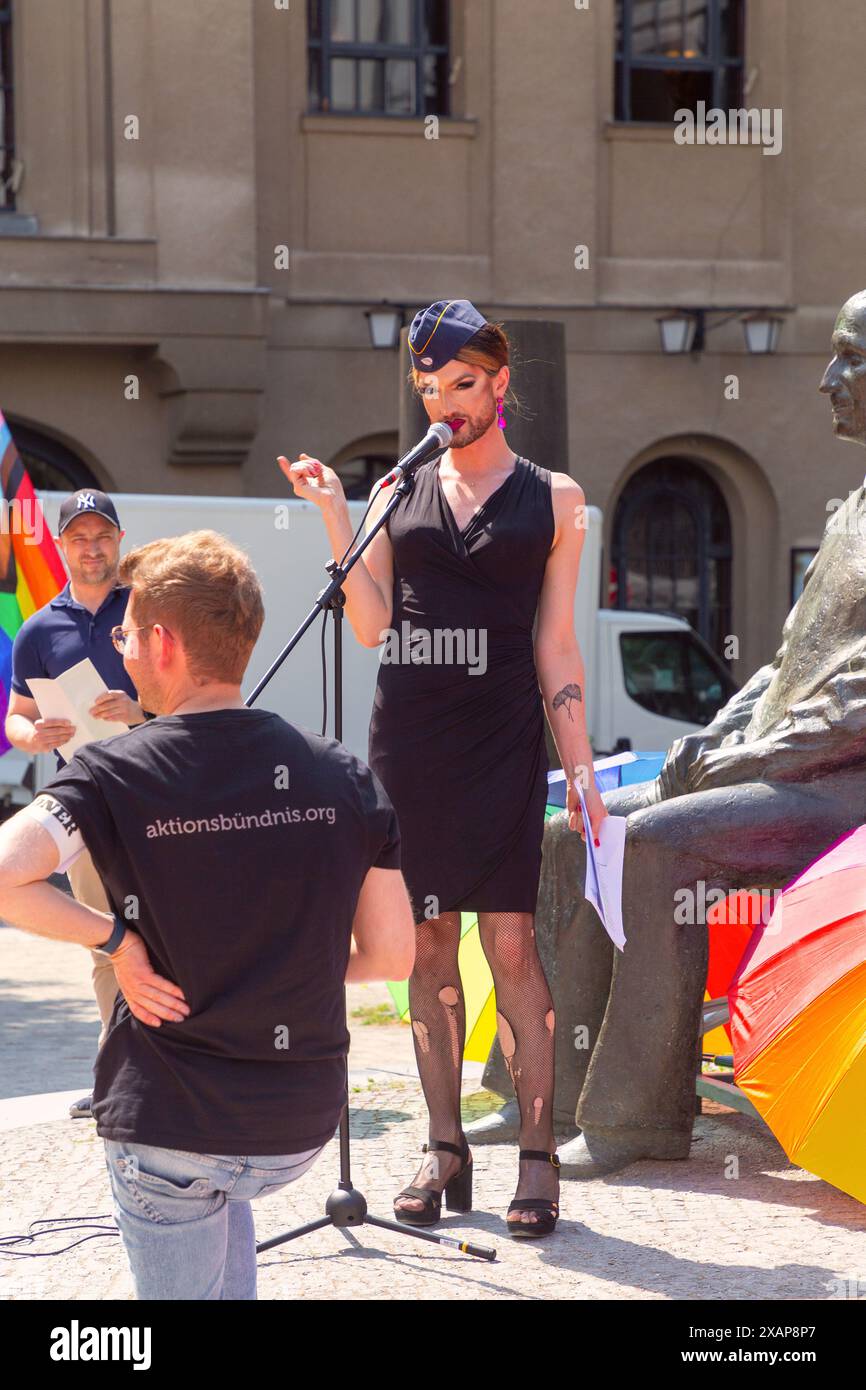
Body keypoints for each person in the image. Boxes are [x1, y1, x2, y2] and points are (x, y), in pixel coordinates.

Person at [483, 286, 866, 1179]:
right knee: (569, 830)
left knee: (653, 844)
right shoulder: (853, 510)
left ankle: (638, 1116)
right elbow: (786, 665)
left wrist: (742, 758)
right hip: (791, 767)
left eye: (851, 358)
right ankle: (542, 1086)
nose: (828, 379)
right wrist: (715, 738)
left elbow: (857, 698)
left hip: (845, 785)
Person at [0, 530, 415, 1299]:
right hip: (296, 1125)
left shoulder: (108, 770)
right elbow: (392, 958)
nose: (120, 648)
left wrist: (118, 943)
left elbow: (4, 876)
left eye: (125, 634)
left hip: (170, 1128)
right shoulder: (342, 774)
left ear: (162, 643)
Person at [278, 298, 605, 1237]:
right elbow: (372, 624)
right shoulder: (394, 491)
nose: (444, 404)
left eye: (461, 384)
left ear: (501, 384)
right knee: (426, 945)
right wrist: (338, 514)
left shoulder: (557, 499)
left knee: (510, 942)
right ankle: (444, 1145)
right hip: (410, 742)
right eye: (429, 388)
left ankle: (537, 1155)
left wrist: (579, 767)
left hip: (502, 740)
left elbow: (556, 645)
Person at [4, 489, 149, 1118]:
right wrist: (33, 736)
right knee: (104, 936)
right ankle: (116, 1074)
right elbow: (16, 717)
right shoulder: (38, 630)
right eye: (80, 539)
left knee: (171, 929)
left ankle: (182, 1067)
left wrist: (141, 710)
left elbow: (197, 695)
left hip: (157, 792)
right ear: (63, 546)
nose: (93, 550)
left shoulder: (149, 612)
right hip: (86, 800)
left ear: (119, 539)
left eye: (103, 536)